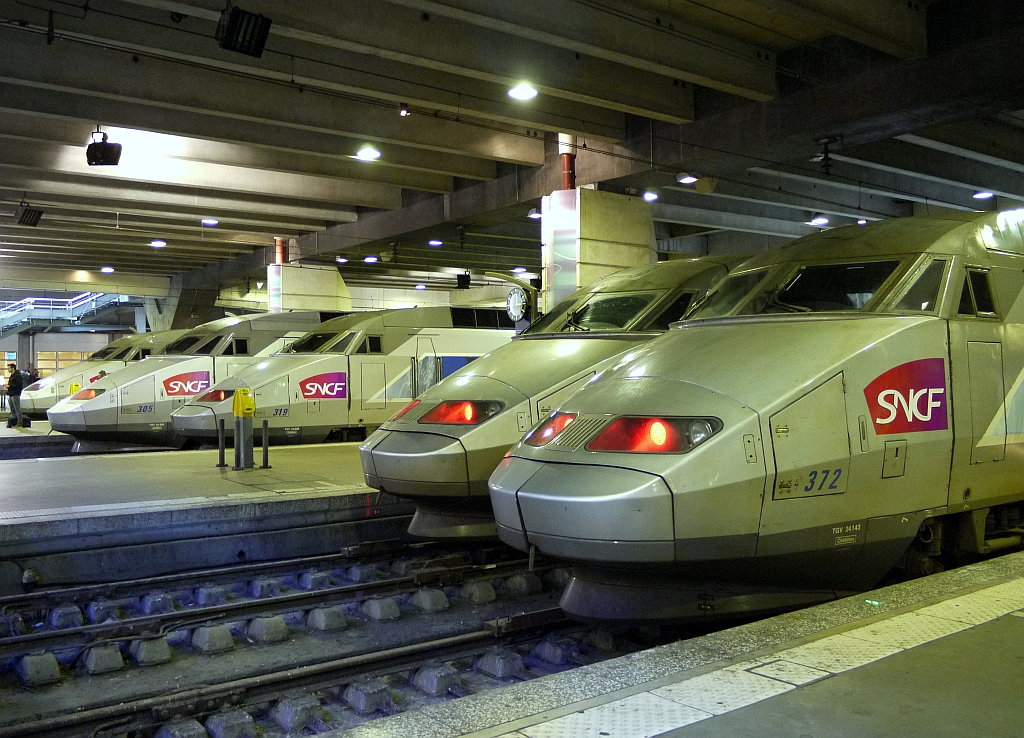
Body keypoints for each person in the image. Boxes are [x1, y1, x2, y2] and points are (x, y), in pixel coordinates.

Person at [6, 363, 25, 428]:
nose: (8, 369)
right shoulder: (12, 375)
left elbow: (19, 385)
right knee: (12, 409)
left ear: (13, 368)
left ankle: (20, 422)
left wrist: (10, 386)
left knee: (17, 408)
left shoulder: (18, 375)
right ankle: (15, 421)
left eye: (9, 368)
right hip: (11, 394)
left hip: (15, 394)